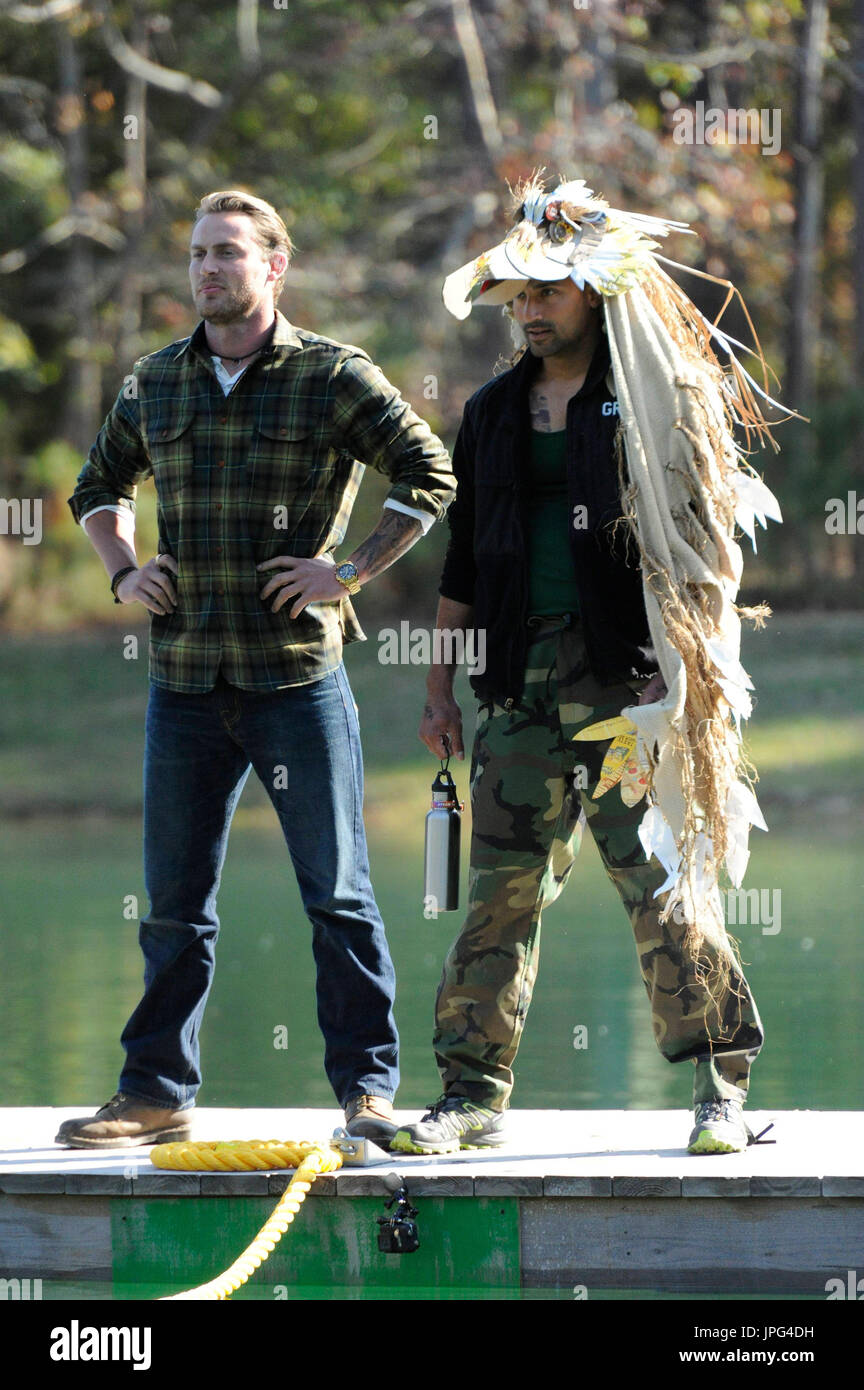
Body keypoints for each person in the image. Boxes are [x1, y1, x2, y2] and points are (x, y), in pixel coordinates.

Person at [391, 175, 785, 1158]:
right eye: (518, 294)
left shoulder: (653, 401)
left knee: (659, 882)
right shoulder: (487, 413)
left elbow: (701, 546)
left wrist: (681, 674)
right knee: (499, 892)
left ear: (592, 295)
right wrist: (441, 684)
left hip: (631, 688)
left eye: (548, 291)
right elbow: (467, 559)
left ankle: (718, 1090)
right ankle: (470, 1096)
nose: (529, 308)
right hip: (516, 685)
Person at [58, 190, 455, 1151]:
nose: (207, 271)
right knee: (174, 908)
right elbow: (95, 487)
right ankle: (154, 1090)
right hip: (185, 684)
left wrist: (348, 570)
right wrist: (123, 569)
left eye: (228, 253)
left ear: (274, 266)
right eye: (197, 254)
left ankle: (366, 1094)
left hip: (296, 683)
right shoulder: (155, 382)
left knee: (340, 896)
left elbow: (429, 474)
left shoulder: (331, 376)